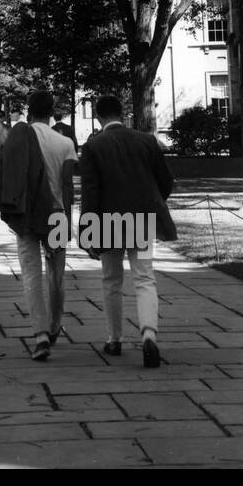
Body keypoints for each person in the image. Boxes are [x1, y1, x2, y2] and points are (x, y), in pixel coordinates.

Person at [0, 90, 74, 361]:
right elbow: (67, 187)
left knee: (31, 274)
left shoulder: (18, 137)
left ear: (29, 110)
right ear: (52, 111)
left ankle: (40, 334)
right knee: (57, 276)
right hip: (57, 214)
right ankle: (54, 327)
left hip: (27, 214)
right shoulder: (64, 143)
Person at [79, 95, 177, 369]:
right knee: (145, 278)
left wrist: (88, 230)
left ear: (98, 117)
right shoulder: (146, 141)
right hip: (142, 218)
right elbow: (165, 182)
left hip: (108, 220)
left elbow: (90, 194)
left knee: (111, 280)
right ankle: (149, 334)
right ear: (121, 113)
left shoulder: (93, 146)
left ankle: (114, 338)